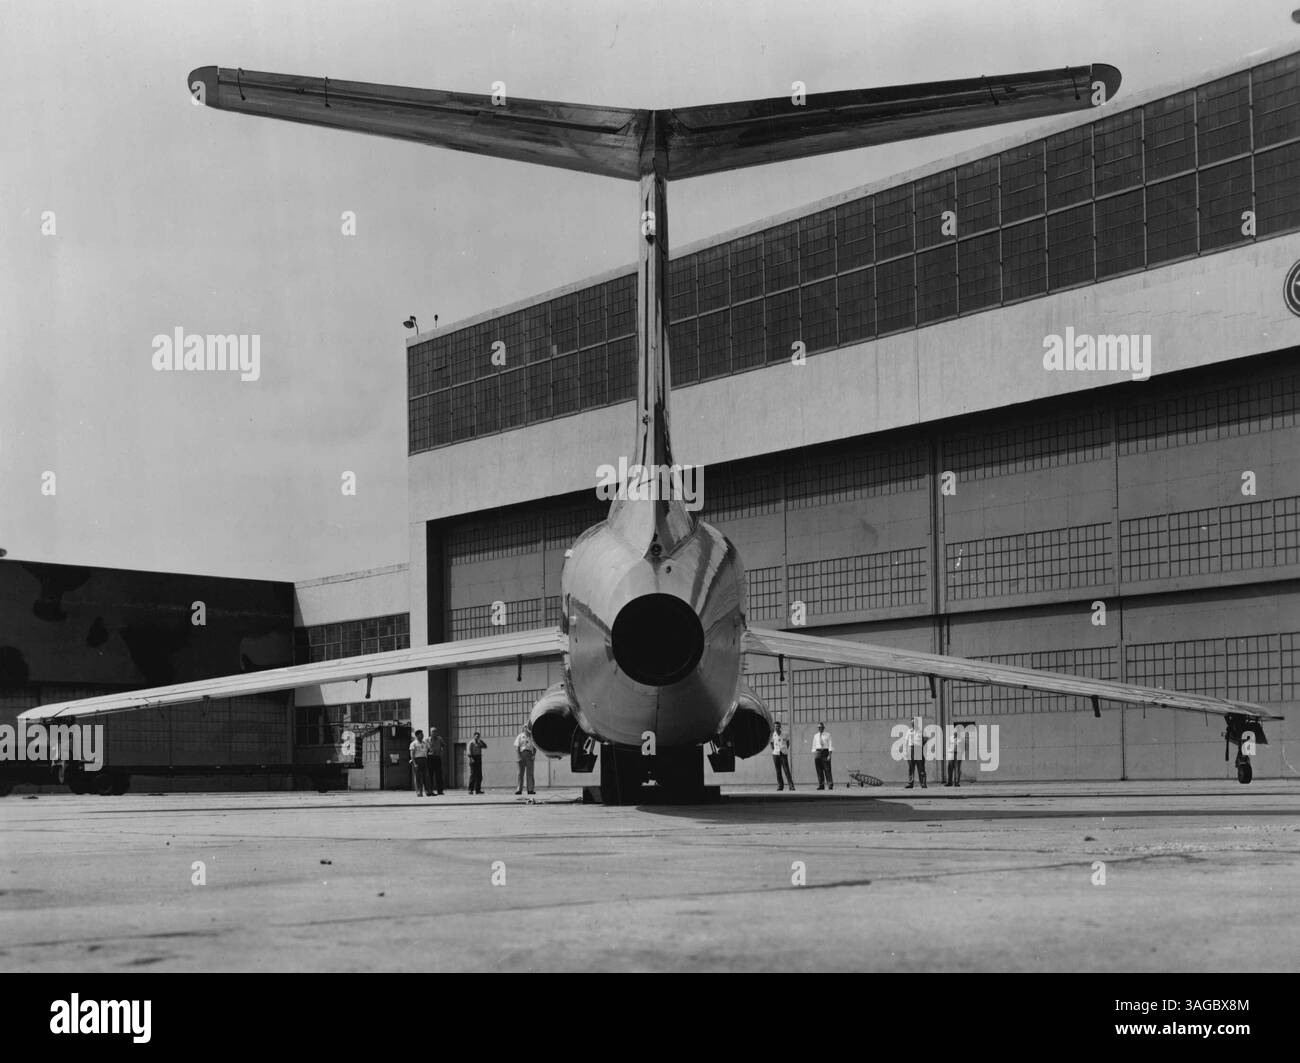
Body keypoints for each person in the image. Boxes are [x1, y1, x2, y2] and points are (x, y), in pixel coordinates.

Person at [771, 722, 795, 790]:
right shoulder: (772, 734)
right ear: (774, 727)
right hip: (776, 754)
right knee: (778, 771)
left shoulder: (785, 733)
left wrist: (784, 749)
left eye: (778, 726)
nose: (777, 728)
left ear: (780, 727)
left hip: (783, 754)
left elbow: (787, 743)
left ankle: (791, 786)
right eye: (776, 726)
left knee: (786, 770)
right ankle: (780, 786)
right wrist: (775, 750)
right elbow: (771, 744)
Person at [514, 723, 537, 795]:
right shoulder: (520, 736)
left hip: (529, 754)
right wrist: (518, 756)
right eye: (526, 727)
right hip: (522, 753)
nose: (527, 728)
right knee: (520, 773)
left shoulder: (532, 737)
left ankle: (530, 789)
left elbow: (535, 748)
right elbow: (517, 746)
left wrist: (533, 755)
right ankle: (519, 789)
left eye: (528, 727)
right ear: (524, 728)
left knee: (530, 773)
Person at [906, 716, 927, 789]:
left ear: (917, 723)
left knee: (921, 767)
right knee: (911, 768)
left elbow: (925, 739)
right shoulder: (909, 731)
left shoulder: (921, 731)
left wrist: (920, 746)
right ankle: (910, 783)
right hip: (911, 749)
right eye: (912, 722)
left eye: (914, 722)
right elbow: (906, 742)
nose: (913, 723)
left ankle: (923, 784)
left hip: (918, 750)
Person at [811, 722, 834, 790]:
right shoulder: (815, 735)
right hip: (818, 752)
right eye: (819, 727)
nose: (820, 728)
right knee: (819, 770)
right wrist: (815, 754)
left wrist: (829, 755)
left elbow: (830, 745)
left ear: (823, 727)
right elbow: (814, 745)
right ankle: (821, 785)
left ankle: (830, 784)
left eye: (821, 727)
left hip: (825, 752)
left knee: (827, 769)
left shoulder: (828, 735)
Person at [408, 729, 430, 796]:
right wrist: (414, 763)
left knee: (426, 776)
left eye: (422, 734)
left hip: (424, 760)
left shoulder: (425, 743)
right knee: (418, 777)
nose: (422, 735)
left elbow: (428, 750)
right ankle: (419, 791)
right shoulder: (413, 743)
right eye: (421, 734)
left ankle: (427, 791)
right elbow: (412, 754)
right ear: (417, 735)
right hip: (417, 760)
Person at [426, 727, 446, 795]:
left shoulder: (440, 739)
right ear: (430, 732)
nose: (434, 733)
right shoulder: (427, 740)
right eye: (433, 732)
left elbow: (443, 746)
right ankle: (430, 790)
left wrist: (442, 752)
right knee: (430, 775)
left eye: (435, 731)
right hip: (430, 758)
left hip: (437, 757)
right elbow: (425, 749)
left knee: (439, 775)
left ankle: (440, 790)